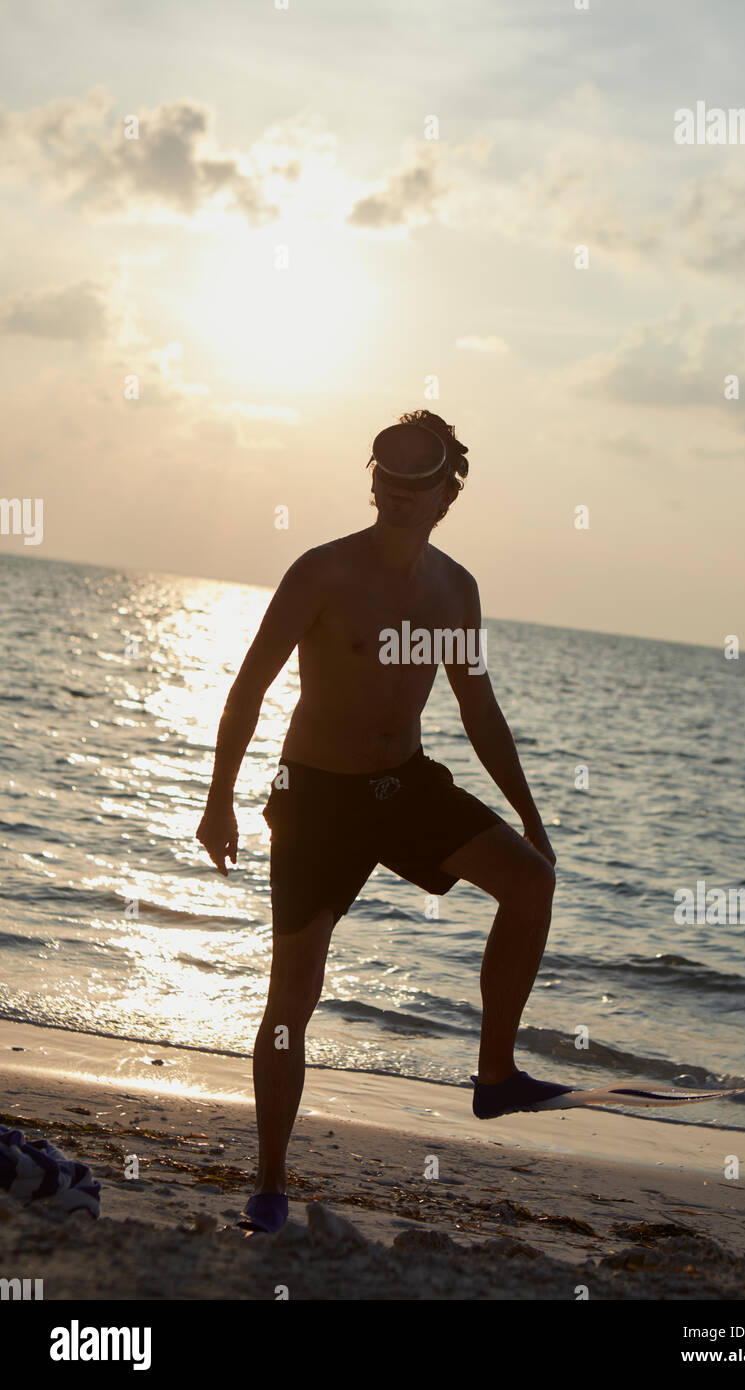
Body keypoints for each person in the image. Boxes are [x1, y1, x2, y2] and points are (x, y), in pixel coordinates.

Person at [196, 408, 570, 1234]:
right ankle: (268, 1185)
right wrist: (219, 798)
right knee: (294, 991)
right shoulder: (322, 573)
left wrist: (529, 817)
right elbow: (251, 686)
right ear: (373, 482)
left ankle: (496, 1073)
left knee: (531, 881)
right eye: (386, 481)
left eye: (416, 485)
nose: (397, 496)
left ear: (448, 494)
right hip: (318, 798)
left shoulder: (454, 590)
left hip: (402, 785)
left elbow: (479, 708)